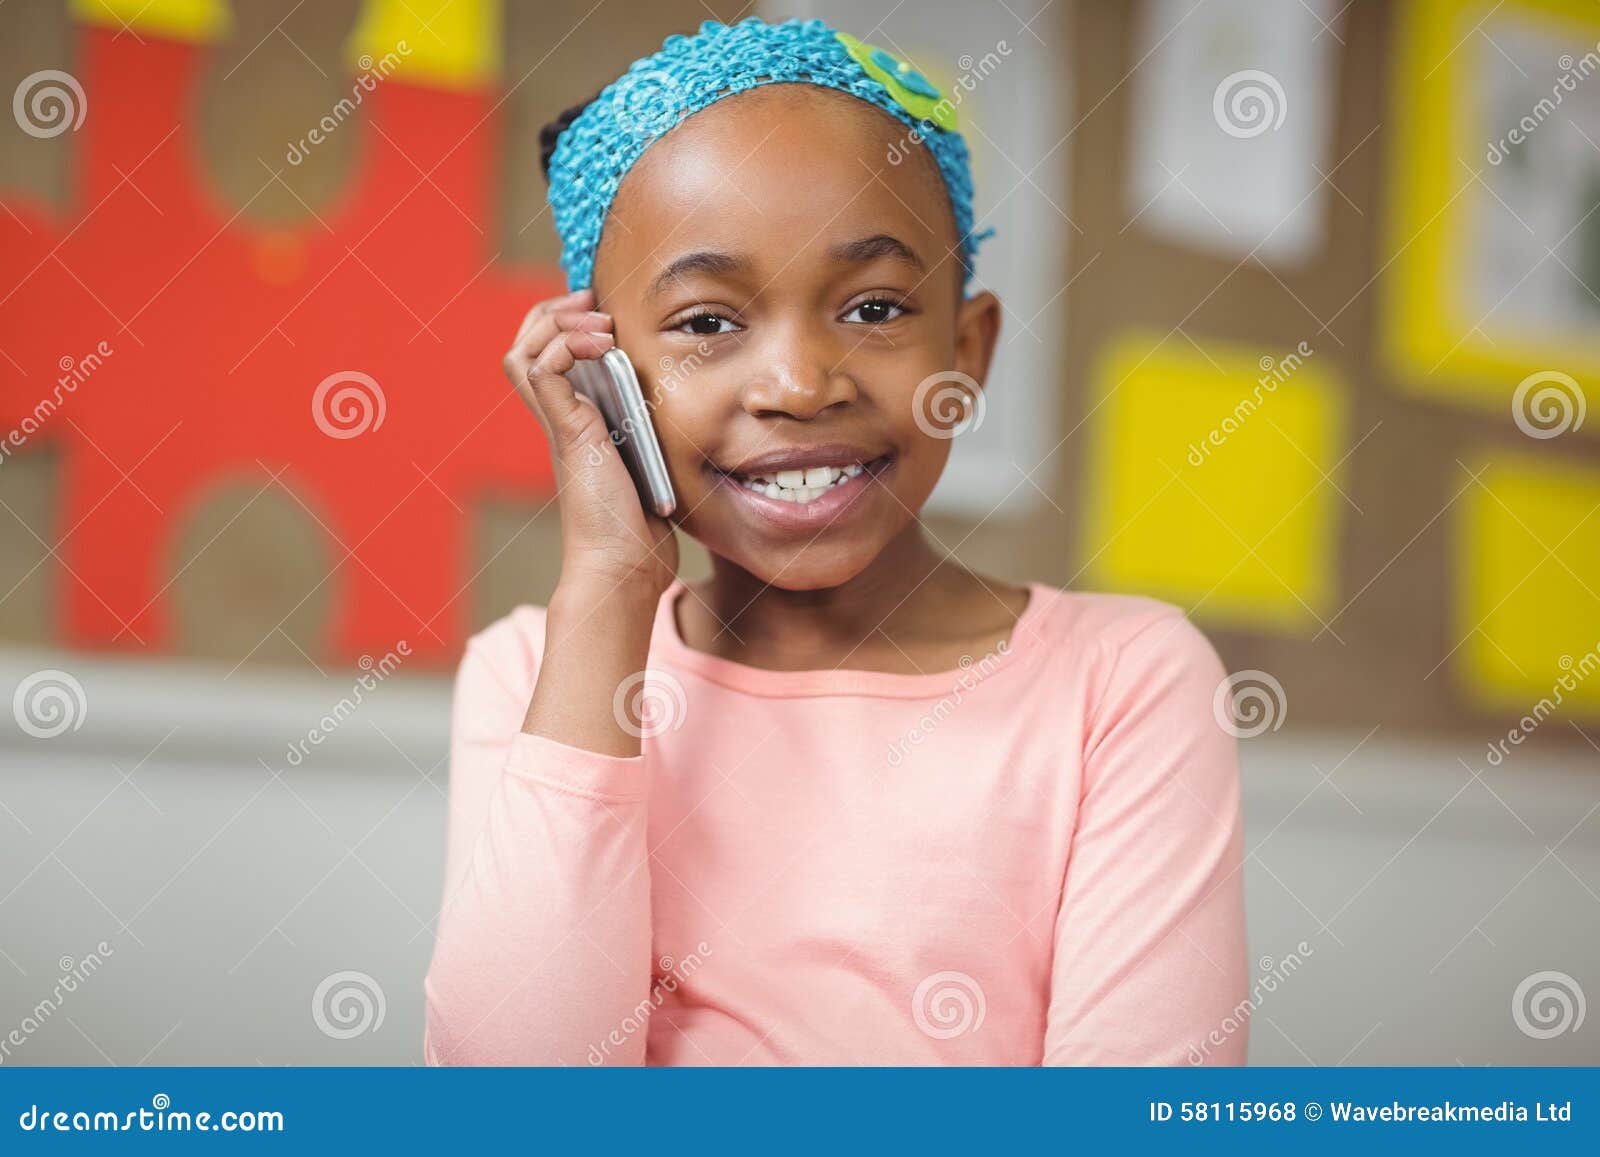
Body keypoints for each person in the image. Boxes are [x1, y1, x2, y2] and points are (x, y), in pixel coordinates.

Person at [423, 16, 1247, 1066]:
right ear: (602, 379)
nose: (800, 385)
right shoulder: (538, 673)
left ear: (967, 349)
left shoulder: (1123, 682)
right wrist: (609, 584)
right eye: (707, 323)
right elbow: (513, 1099)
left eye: (871, 306)